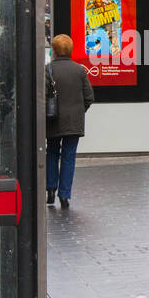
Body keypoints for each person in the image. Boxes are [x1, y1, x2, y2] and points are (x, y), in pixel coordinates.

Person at [46, 34, 94, 209]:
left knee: (52, 152)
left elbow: (43, 96)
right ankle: (64, 195)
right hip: (74, 121)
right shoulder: (79, 70)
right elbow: (89, 96)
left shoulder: (48, 70)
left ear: (54, 50)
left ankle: (51, 189)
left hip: (53, 120)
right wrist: (79, 111)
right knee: (69, 156)